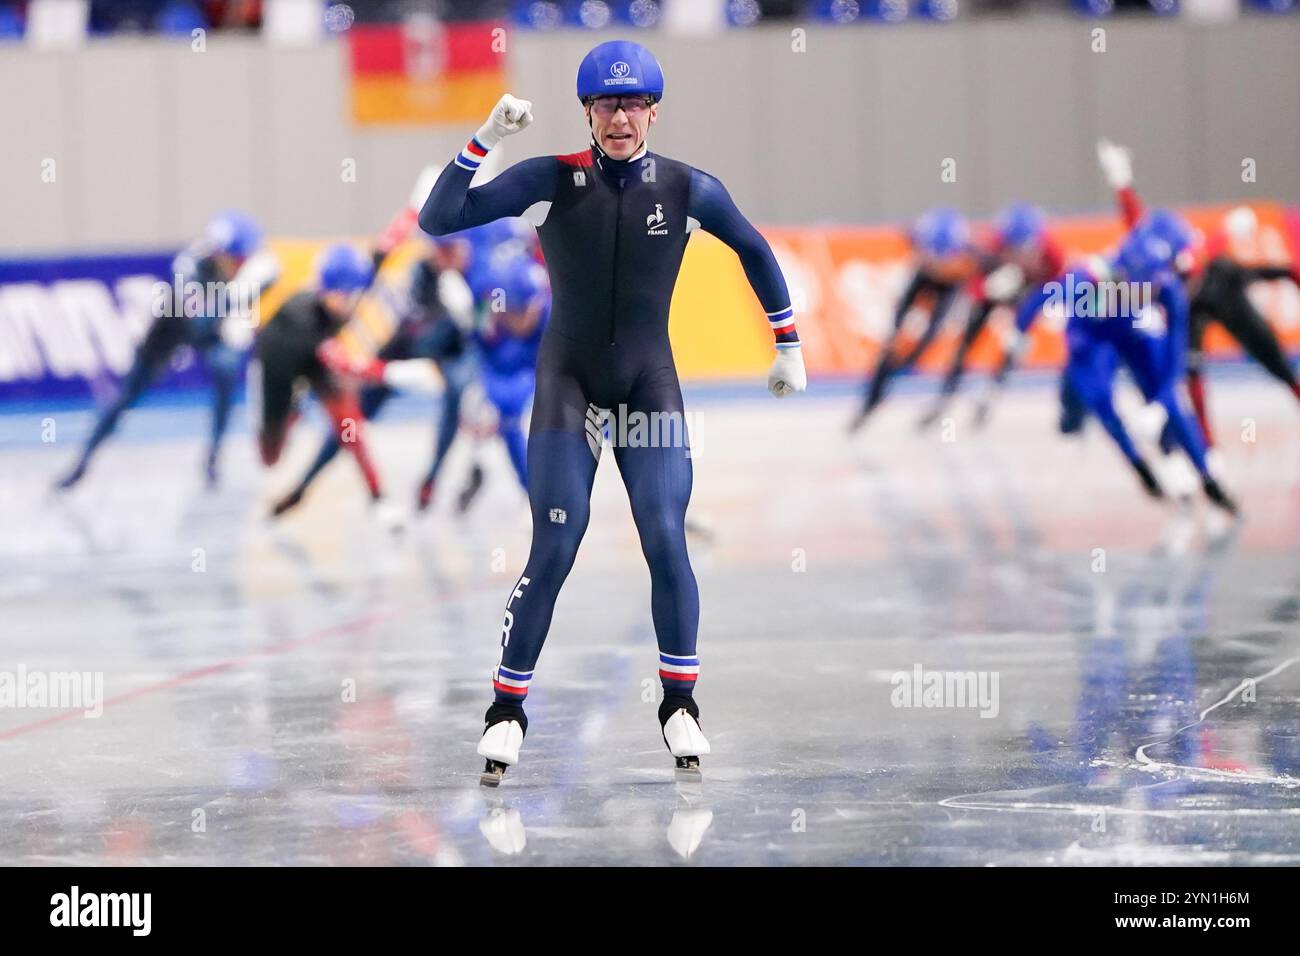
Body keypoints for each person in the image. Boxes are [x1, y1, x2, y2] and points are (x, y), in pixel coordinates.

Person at [418, 40, 807, 784]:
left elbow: (754, 249)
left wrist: (787, 342)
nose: (620, 117)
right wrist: (485, 141)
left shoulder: (690, 189)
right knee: (556, 546)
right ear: (587, 113)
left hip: (646, 386)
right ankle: (505, 713)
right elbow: (442, 219)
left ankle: (680, 703)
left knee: (665, 535)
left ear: (653, 112)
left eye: (632, 104)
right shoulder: (551, 182)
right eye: (606, 104)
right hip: (568, 387)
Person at [1008, 219, 1237, 514]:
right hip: (1092, 339)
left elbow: (1174, 355)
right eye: (1143, 285)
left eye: (1154, 285)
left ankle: (1209, 477)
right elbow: (1041, 297)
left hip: (1130, 334)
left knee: (1169, 401)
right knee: (1100, 399)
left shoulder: (1166, 288)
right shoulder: (1088, 278)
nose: (1150, 290)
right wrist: (1019, 332)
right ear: (1123, 273)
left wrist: (1158, 403)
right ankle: (1140, 465)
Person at [1098, 139, 1300, 450]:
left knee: (1271, 355)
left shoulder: (1200, 262)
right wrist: (1120, 177)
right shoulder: (1152, 262)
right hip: (1189, 308)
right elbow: (1133, 216)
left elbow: (1231, 258)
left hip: (1219, 293)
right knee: (1189, 371)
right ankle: (1203, 440)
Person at [55, 211, 278, 489]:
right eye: (234, 260)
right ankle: (82, 462)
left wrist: (236, 307)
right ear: (218, 254)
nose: (238, 266)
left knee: (226, 371)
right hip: (178, 320)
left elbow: (234, 305)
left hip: (215, 323)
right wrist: (230, 302)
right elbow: (201, 315)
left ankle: (213, 458)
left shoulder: (260, 266)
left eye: (242, 260)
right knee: (127, 395)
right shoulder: (191, 266)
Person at [269, 235, 477, 518]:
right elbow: (406, 323)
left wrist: (466, 321)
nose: (449, 256)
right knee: (349, 425)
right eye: (443, 250)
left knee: (462, 400)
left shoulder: (471, 277)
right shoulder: (416, 274)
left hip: (447, 358)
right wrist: (388, 368)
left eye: (453, 250)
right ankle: (302, 487)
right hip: (403, 353)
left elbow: (483, 333)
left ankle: (434, 480)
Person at [847, 207, 973, 432]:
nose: (936, 265)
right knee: (892, 340)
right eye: (932, 258)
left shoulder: (966, 258)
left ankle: (933, 393)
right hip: (923, 278)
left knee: (933, 339)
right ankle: (871, 400)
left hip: (950, 286)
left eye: (942, 261)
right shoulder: (920, 243)